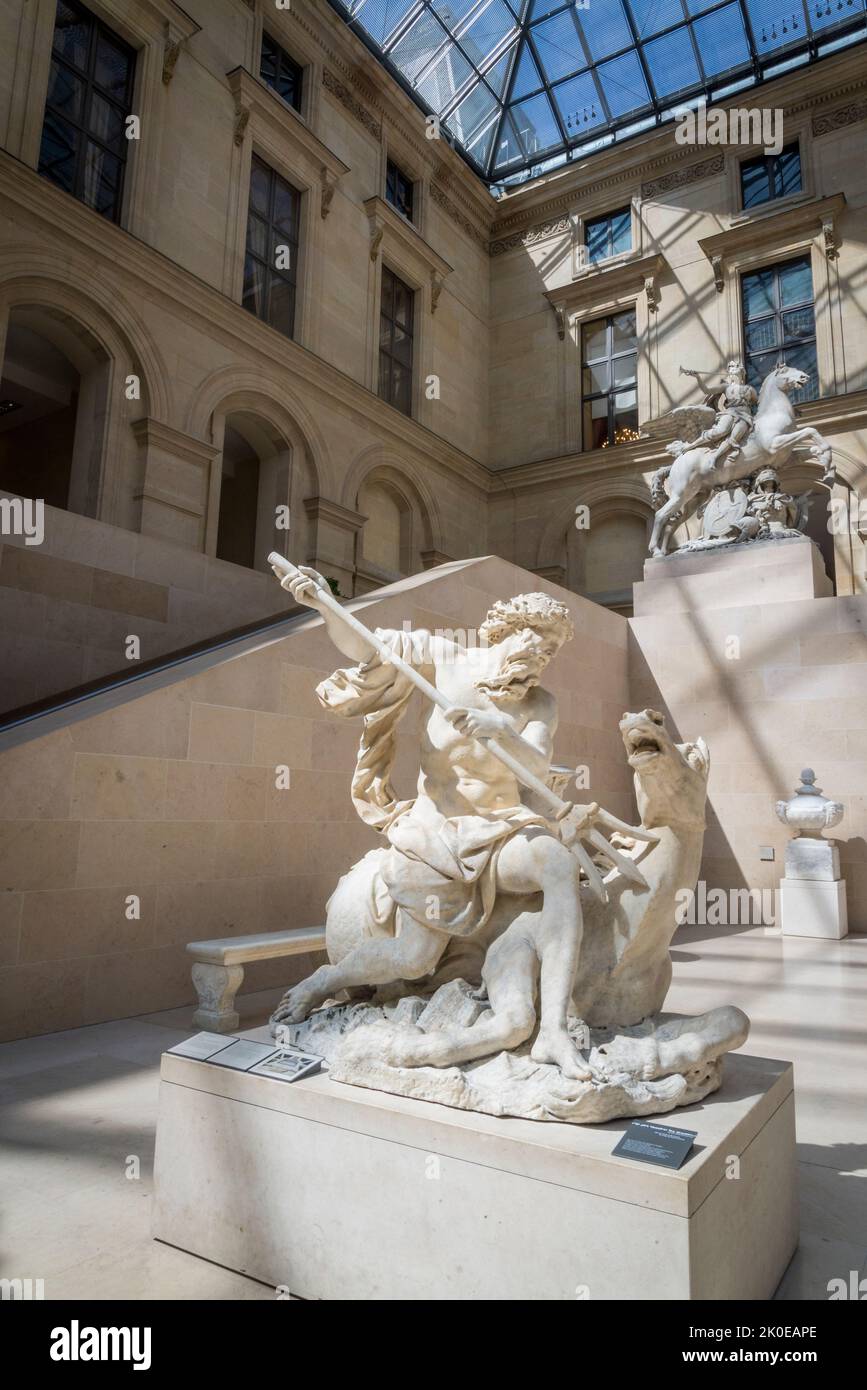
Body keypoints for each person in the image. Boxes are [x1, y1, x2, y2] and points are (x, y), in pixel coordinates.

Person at [272, 567, 591, 1078]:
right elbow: (368, 647)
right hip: (435, 832)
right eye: (537, 638)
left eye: (551, 650)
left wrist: (500, 731)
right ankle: (326, 979)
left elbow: (535, 765)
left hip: (499, 828)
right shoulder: (448, 659)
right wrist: (322, 602)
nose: (541, 656)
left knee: (555, 863)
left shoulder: (539, 703)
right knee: (413, 958)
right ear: (508, 628)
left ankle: (551, 1030)